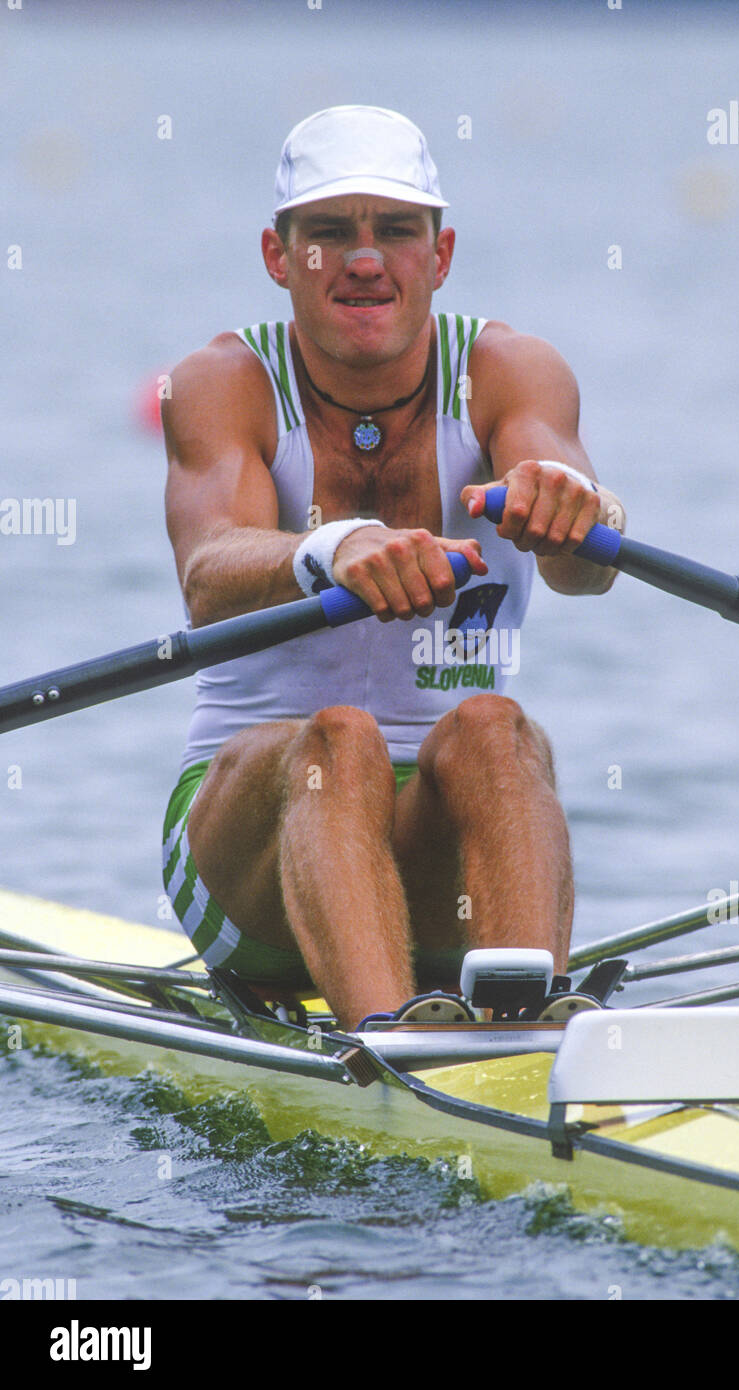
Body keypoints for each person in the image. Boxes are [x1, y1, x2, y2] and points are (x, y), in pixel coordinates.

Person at [161, 105, 623, 1030]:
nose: (365, 260)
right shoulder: (224, 384)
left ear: (439, 257)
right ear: (278, 257)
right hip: (251, 845)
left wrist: (582, 511)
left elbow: (585, 571)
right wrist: (332, 548)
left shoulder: (508, 372)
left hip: (440, 849)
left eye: (396, 232)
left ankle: (522, 1034)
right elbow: (209, 574)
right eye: (330, 234)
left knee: (496, 725)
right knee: (340, 739)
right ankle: (389, 1050)